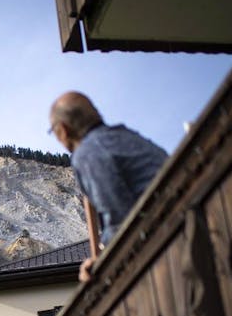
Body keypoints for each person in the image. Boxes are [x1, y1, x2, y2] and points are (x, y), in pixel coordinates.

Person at [48, 91, 167, 281]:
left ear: (63, 129)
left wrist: (100, 261)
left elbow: (119, 221)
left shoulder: (87, 153)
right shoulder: (129, 137)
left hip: (165, 248)